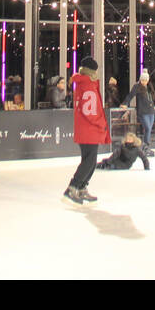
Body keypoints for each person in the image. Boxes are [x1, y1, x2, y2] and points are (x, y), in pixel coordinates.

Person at [64, 58, 109, 204]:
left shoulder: (82, 84)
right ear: (92, 71)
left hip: (85, 129)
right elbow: (90, 111)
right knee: (89, 161)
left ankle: (81, 188)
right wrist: (101, 124)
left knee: (89, 160)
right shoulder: (88, 86)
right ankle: (73, 187)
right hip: (89, 129)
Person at [123, 69, 155, 155]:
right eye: (142, 80)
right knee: (148, 128)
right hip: (143, 112)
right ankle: (146, 146)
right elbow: (130, 95)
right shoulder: (137, 86)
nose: (144, 82)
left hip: (150, 111)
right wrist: (125, 103)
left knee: (148, 129)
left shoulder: (149, 87)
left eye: (145, 80)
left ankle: (146, 147)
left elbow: (153, 96)